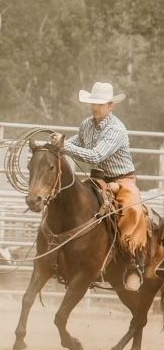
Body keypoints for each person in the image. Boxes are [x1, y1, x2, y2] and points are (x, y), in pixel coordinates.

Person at [50, 81, 148, 291]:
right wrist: (51, 146)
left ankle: (134, 263)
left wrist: (64, 146)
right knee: (77, 203)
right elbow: (76, 143)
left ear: (110, 105)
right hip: (98, 178)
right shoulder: (87, 124)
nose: (95, 107)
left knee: (132, 210)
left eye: (100, 104)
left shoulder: (116, 129)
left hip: (123, 181)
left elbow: (96, 154)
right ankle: (76, 259)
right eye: (93, 103)